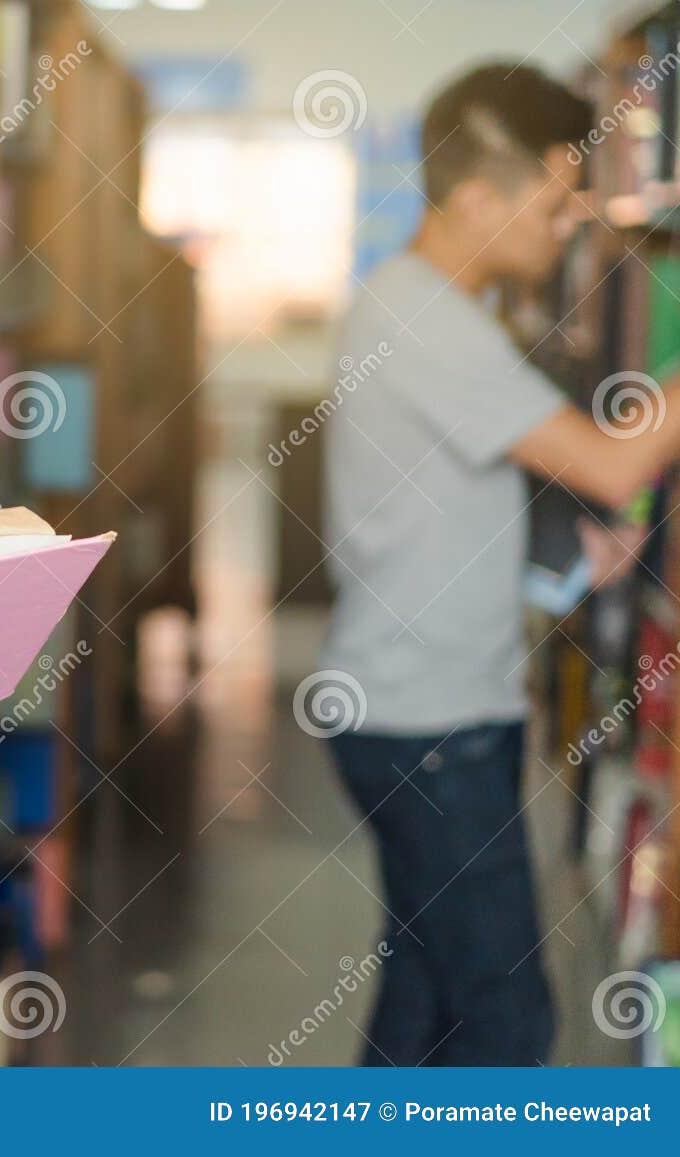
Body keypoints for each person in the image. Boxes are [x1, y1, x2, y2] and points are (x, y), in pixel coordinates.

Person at [320, 62, 680, 1066]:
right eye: (554, 201)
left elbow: (437, 508)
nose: (566, 226)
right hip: (429, 724)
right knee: (506, 1020)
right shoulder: (427, 320)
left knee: (425, 1000)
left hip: (410, 709)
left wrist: (562, 564)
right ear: (478, 195)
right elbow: (614, 460)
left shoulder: (420, 306)